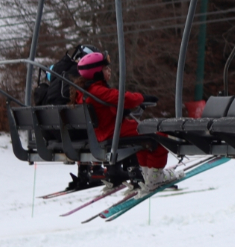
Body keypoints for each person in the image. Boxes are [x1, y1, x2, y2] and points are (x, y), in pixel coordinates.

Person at [72, 52, 177, 191]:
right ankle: (155, 176)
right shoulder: (96, 90)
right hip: (112, 131)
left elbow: (104, 109)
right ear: (96, 73)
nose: (109, 71)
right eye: (105, 69)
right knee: (159, 132)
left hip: (105, 131)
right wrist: (142, 98)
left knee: (143, 136)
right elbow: (122, 98)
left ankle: (148, 174)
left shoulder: (84, 92)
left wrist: (119, 110)